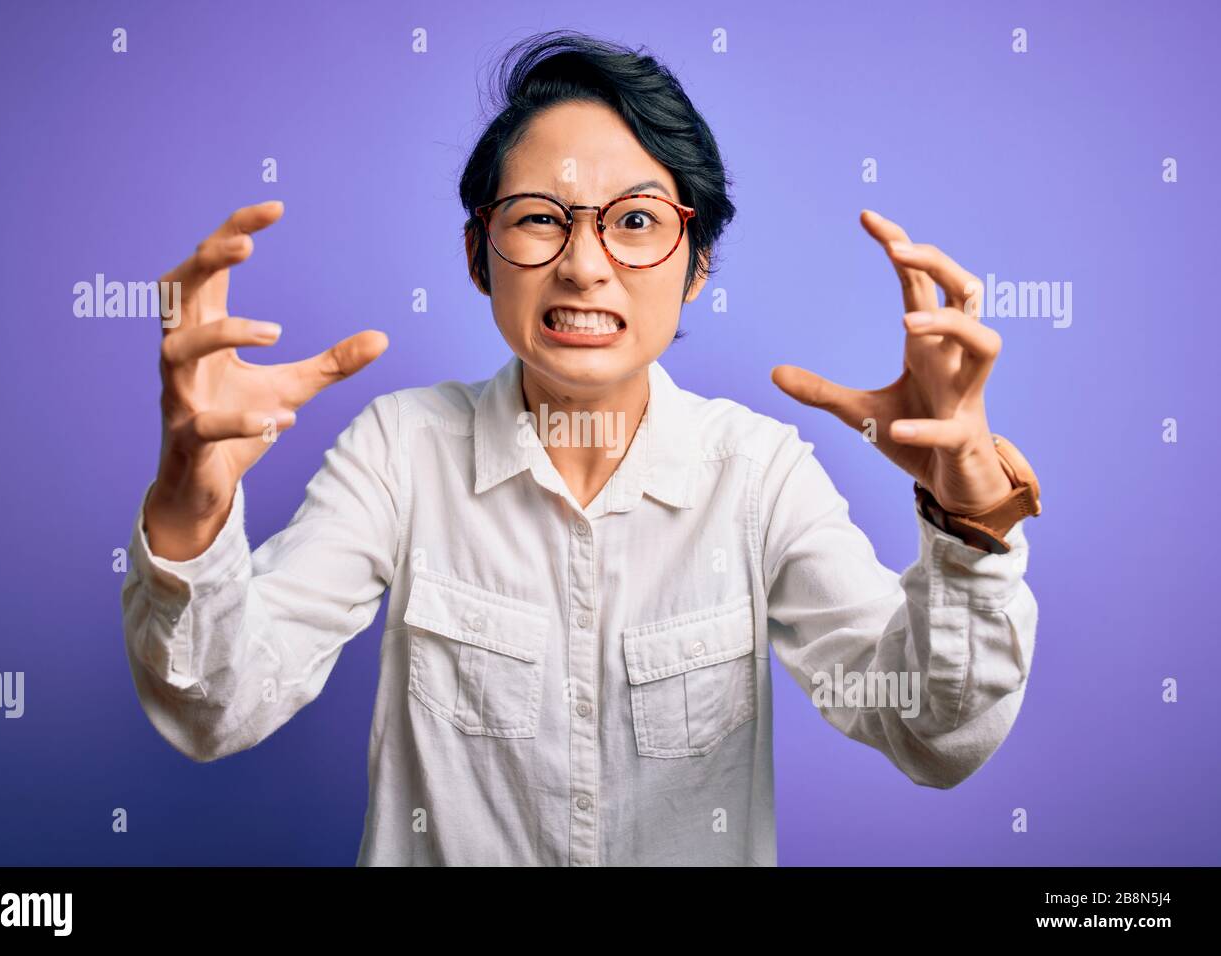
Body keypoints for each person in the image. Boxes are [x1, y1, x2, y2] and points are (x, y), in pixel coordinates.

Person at [121, 30, 1041, 866]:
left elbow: (932, 733)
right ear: (479, 253)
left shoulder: (757, 476)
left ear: (698, 263)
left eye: (636, 221)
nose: (585, 263)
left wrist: (971, 514)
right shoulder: (401, 453)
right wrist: (192, 506)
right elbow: (219, 707)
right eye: (539, 217)